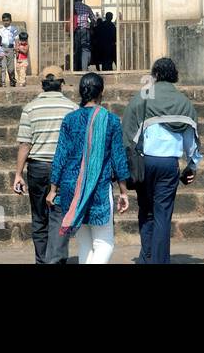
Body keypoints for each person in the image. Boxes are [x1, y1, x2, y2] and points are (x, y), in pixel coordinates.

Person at [122, 57, 201, 265]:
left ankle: (147, 257)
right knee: (162, 215)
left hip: (144, 163)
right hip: (169, 165)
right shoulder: (184, 102)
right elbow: (191, 142)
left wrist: (126, 162)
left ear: (154, 75)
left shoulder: (144, 98)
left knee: (146, 211)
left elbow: (128, 132)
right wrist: (191, 166)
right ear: (174, 75)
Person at [46, 72, 131, 264]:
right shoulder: (110, 120)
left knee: (85, 244)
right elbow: (119, 158)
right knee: (105, 244)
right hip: (98, 189)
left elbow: (60, 155)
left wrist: (53, 189)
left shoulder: (70, 119)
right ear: (101, 92)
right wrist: (123, 192)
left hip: (71, 189)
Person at [12, 65, 78, 263]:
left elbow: (25, 144)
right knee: (59, 217)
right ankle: (56, 260)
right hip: (63, 170)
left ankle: (42, 260)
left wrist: (18, 174)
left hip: (38, 168)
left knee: (39, 217)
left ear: (42, 85)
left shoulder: (30, 108)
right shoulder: (72, 108)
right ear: (61, 85)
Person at [70, 0, 96, 71]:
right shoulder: (87, 7)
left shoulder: (72, 7)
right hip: (85, 30)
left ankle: (76, 68)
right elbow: (93, 20)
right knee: (85, 49)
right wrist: (91, 28)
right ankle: (84, 69)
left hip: (76, 30)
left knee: (77, 49)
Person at [0, 12, 19, 87]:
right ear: (2, 21)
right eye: (4, 20)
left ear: (10, 21)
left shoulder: (14, 29)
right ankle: (3, 83)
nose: (6, 22)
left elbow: (16, 39)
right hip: (2, 49)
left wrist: (16, 49)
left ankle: (12, 81)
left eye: (7, 20)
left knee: (11, 69)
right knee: (3, 67)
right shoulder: (0, 30)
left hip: (10, 49)